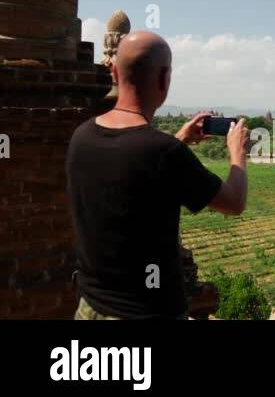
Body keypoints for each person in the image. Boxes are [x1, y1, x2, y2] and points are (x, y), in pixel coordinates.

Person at [67, 31, 248, 320]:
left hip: (90, 308)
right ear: (165, 79)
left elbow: (135, 164)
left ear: (114, 72)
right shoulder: (164, 153)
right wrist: (238, 152)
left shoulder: (82, 136)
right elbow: (234, 202)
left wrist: (179, 138)